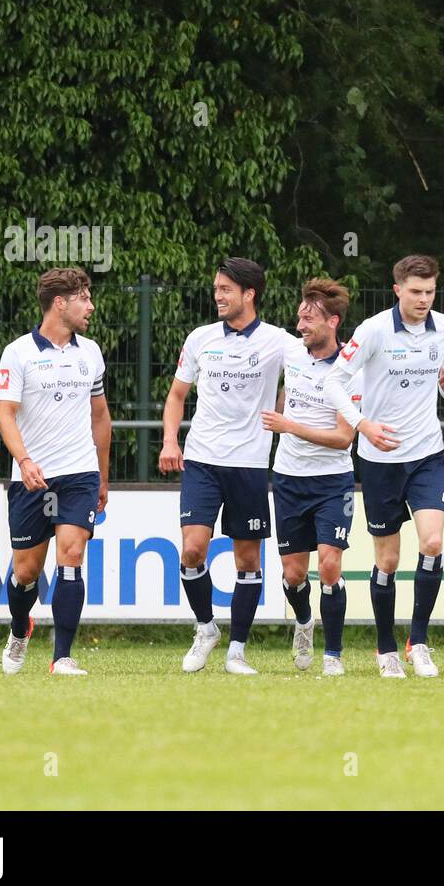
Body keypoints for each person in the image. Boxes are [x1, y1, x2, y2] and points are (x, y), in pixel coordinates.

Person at [323, 254, 444, 678]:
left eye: (430, 292)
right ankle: (385, 648)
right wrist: (362, 426)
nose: (423, 299)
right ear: (397, 291)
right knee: (388, 560)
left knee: (432, 543)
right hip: (380, 461)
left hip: (427, 454)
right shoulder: (373, 330)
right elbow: (333, 381)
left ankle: (419, 642)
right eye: (415, 292)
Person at [159, 258, 287, 675]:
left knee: (247, 561)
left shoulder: (279, 341)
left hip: (249, 464)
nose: (218, 295)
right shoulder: (200, 339)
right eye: (216, 288)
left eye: (226, 289)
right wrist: (169, 441)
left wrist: (284, 414)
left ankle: (238, 650)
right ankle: (205, 628)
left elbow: (318, 370)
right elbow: (177, 395)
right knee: (193, 548)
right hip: (201, 459)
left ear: (249, 294)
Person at [0, 267, 110, 676]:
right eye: (84, 297)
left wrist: (102, 476)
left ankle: (61, 656)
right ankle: (19, 627)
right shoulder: (19, 352)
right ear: (60, 303)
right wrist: (24, 461)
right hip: (31, 477)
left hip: (79, 474)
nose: (91, 306)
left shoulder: (91, 352)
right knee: (25, 571)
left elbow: (100, 417)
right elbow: (5, 414)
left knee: (72, 555)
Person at [261, 278, 360, 676]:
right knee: (293, 573)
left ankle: (333, 655)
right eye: (299, 316)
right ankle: (304, 623)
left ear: (332, 321)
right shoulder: (293, 355)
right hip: (288, 478)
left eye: (310, 318)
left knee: (330, 565)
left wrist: (289, 425)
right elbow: (287, 394)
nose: (301, 324)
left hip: (332, 481)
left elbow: (343, 438)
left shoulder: (350, 370)